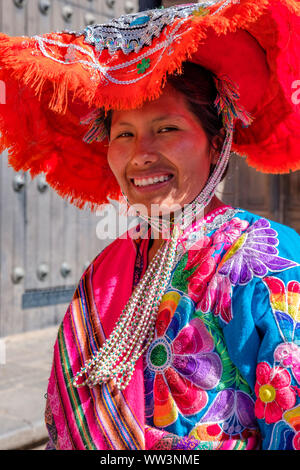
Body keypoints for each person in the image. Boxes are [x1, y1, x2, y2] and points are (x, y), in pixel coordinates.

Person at [0, 0, 300, 451]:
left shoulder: (271, 264)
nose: (140, 153)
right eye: (123, 133)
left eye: (165, 128)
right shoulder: (108, 267)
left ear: (216, 143)